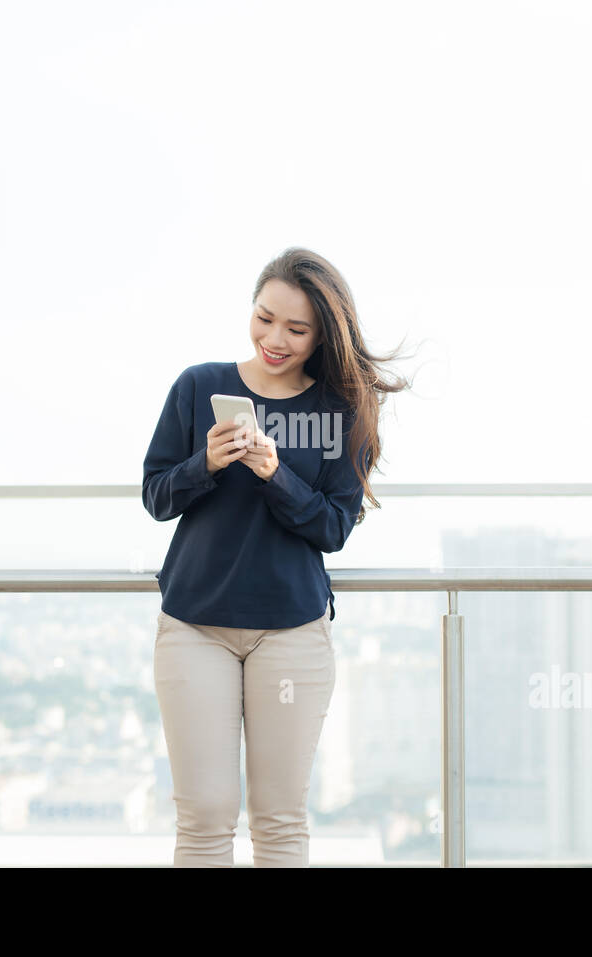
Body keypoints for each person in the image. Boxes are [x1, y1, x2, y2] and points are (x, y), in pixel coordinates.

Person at [141, 246, 409, 866]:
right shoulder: (199, 386)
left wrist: (275, 474)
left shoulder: (339, 410)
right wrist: (204, 462)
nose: (275, 338)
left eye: (296, 328)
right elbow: (157, 496)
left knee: (280, 822)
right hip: (195, 627)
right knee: (204, 819)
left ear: (322, 335)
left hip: (291, 633)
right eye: (265, 318)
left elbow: (334, 526)